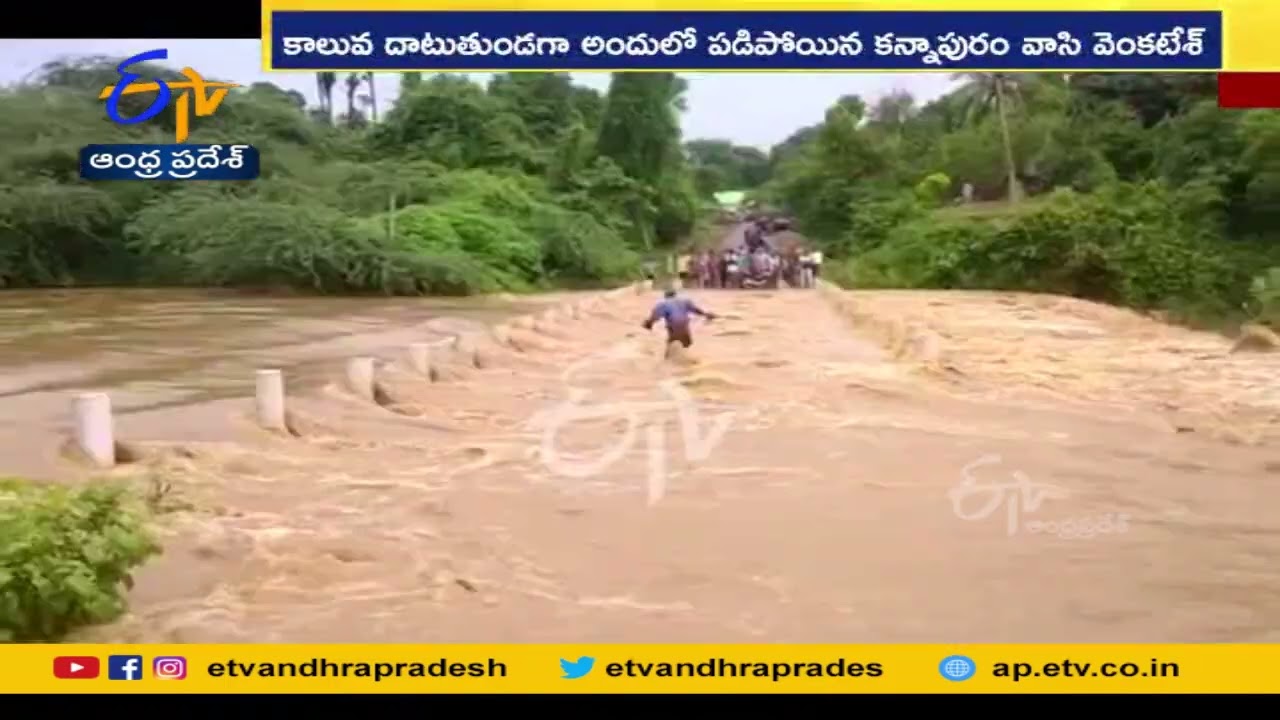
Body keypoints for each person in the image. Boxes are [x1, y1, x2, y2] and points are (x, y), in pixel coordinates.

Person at [642, 289, 716, 354]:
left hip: (673, 325)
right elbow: (696, 310)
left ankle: (671, 363)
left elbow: (655, 317)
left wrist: (648, 324)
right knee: (686, 344)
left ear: (665, 296)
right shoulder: (685, 301)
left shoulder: (662, 304)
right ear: (675, 295)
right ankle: (688, 360)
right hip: (684, 324)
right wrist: (706, 314)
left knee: (671, 346)